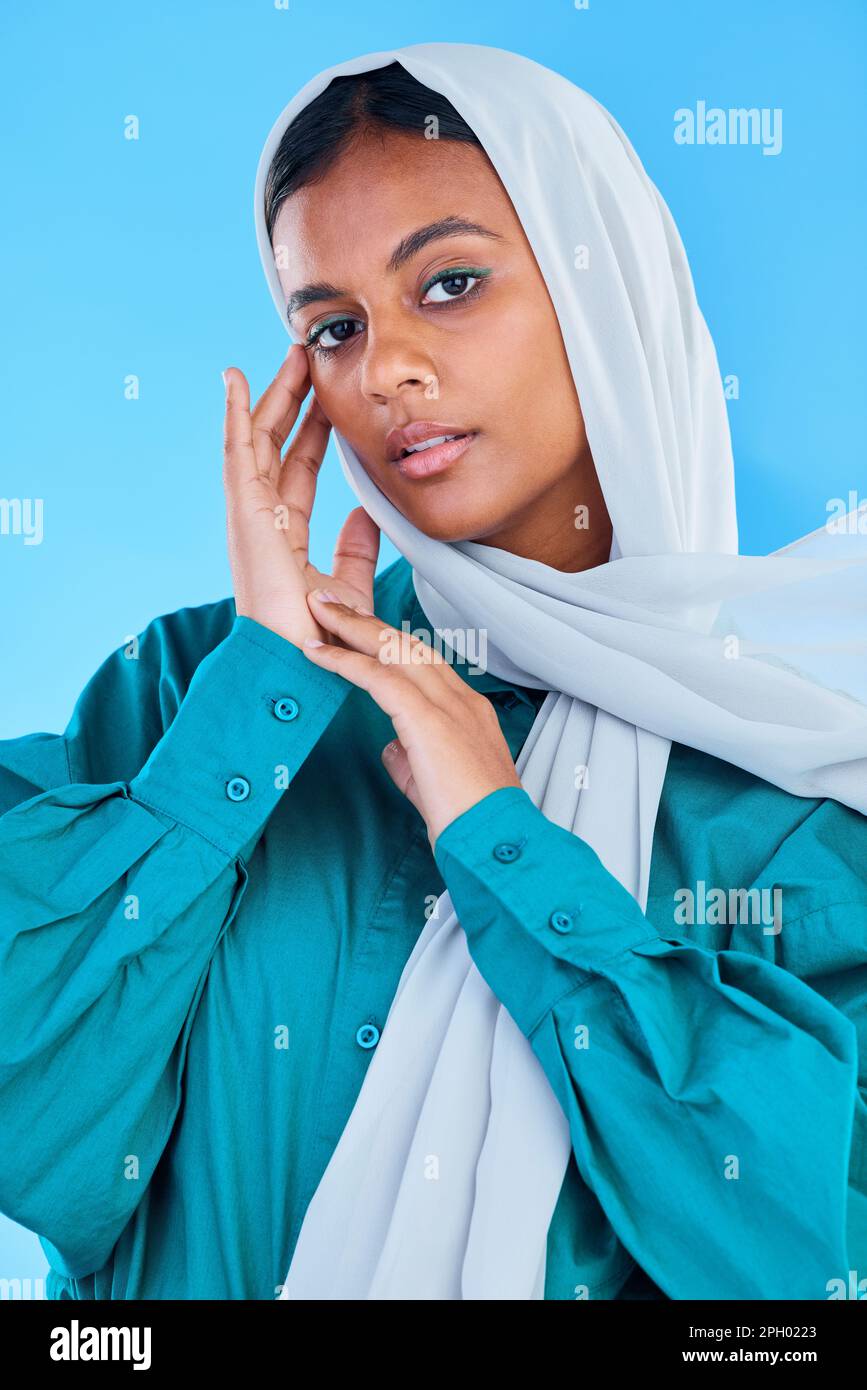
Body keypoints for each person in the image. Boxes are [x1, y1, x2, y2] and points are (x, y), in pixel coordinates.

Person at [1, 43, 865, 1302]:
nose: (385, 368)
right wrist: (251, 715)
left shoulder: (790, 741)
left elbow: (809, 1267)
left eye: (450, 283)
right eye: (334, 327)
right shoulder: (190, 689)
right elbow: (32, 1121)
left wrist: (507, 846)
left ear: (605, 290)